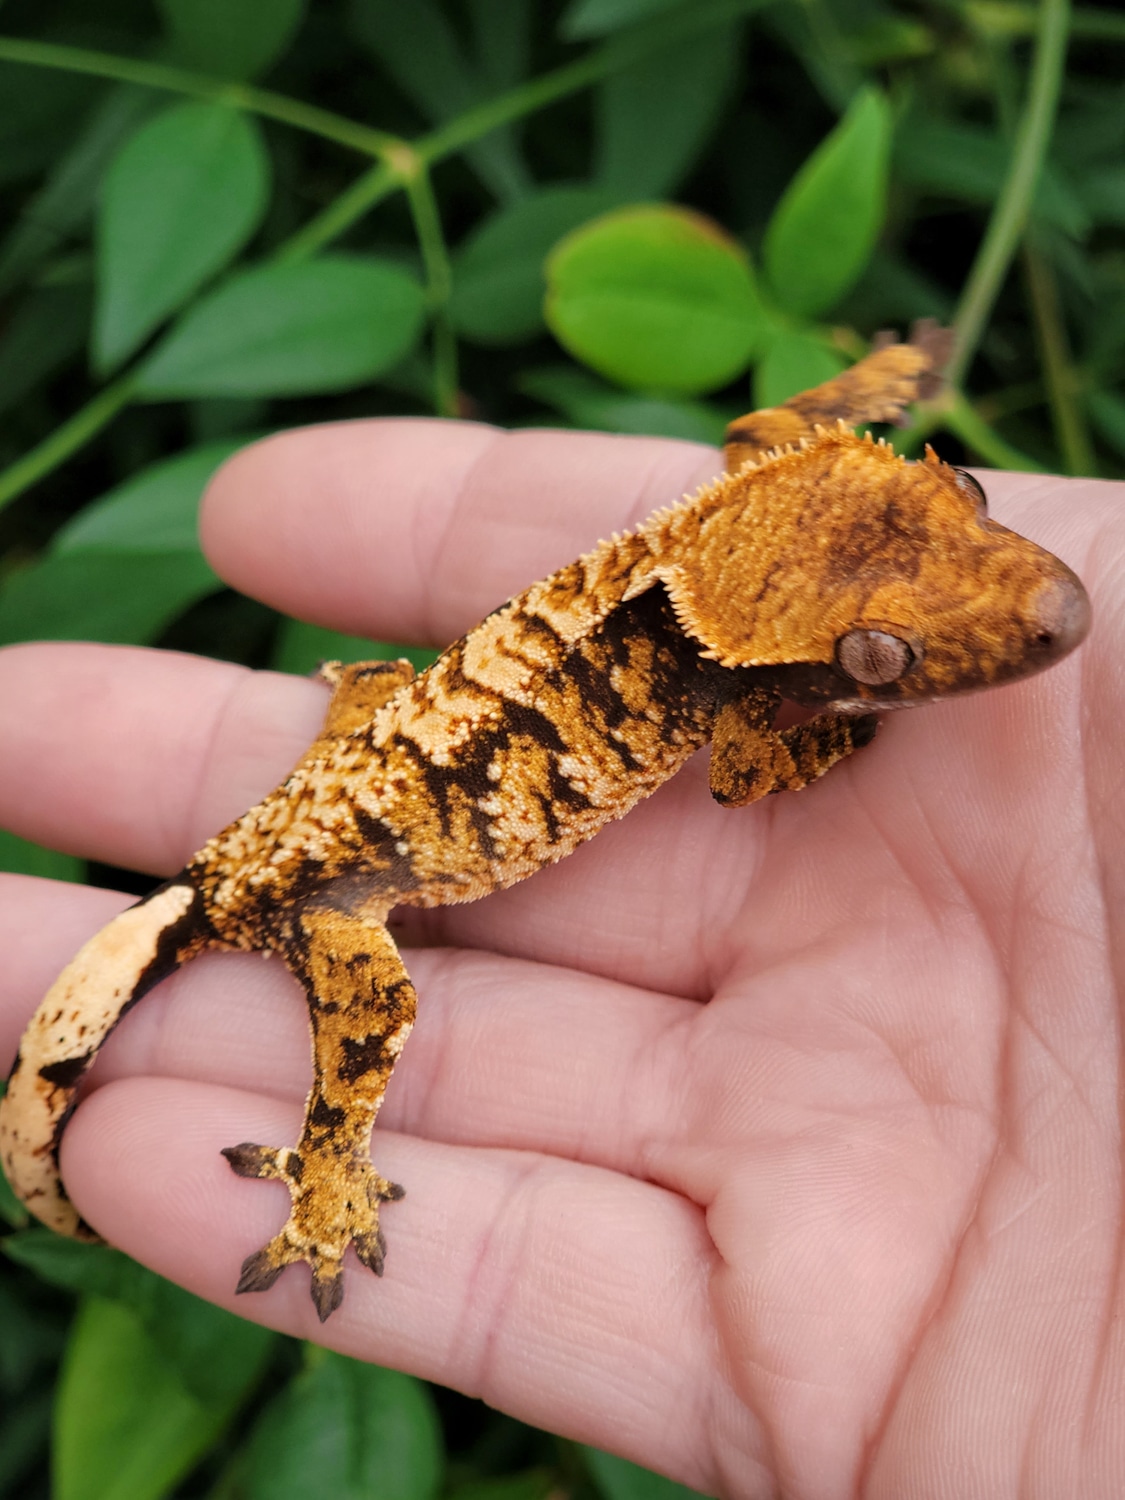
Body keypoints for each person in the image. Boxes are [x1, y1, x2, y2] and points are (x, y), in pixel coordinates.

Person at [0, 419, 1119, 1496]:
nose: (1045, 601)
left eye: (960, 501)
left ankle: (366, 726)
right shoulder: (728, 666)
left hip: (397, 731)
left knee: (401, 731)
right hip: (334, 868)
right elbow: (742, 774)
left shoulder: (714, 540)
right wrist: (830, 722)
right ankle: (323, 1179)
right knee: (375, 1006)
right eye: (882, 653)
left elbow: (774, 461)